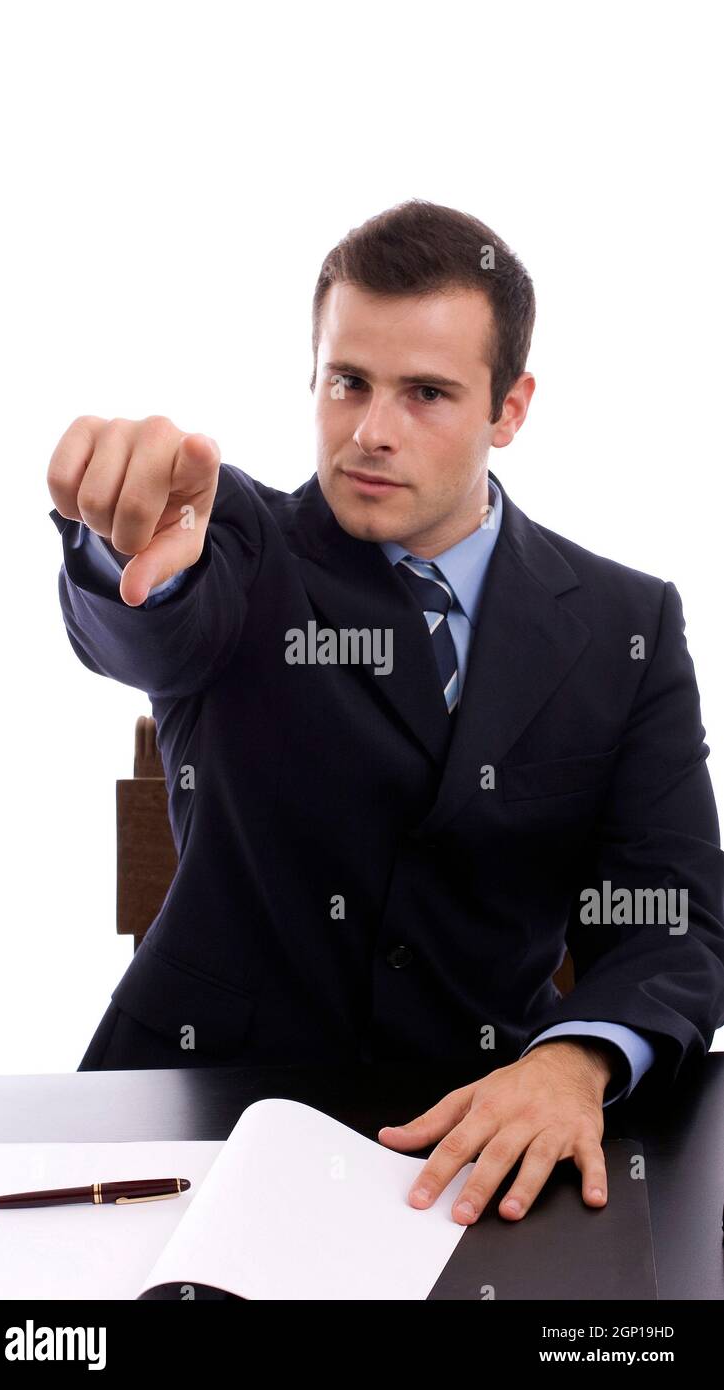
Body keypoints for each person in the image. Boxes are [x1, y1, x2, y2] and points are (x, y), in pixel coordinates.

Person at [47, 199, 724, 1227]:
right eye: (347, 381)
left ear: (510, 409)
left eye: (427, 393)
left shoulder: (625, 623)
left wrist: (576, 1059)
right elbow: (156, 625)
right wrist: (120, 551)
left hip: (478, 1135)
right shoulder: (236, 538)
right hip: (193, 1119)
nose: (370, 430)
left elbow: (671, 918)